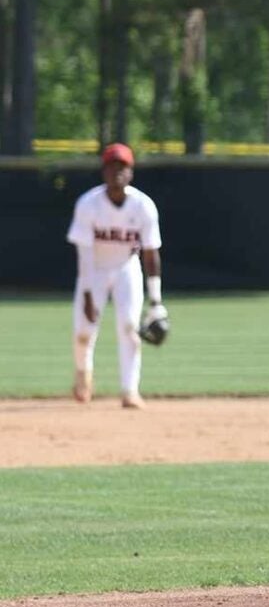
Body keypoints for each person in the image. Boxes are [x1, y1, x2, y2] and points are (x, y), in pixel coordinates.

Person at [67, 142, 165, 409]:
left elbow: (150, 254)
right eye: (112, 166)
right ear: (103, 171)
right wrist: (87, 293)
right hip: (94, 270)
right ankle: (83, 375)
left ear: (131, 172)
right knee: (84, 332)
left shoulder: (143, 206)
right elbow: (84, 254)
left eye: (123, 166)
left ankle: (130, 390)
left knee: (129, 329)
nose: (117, 172)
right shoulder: (88, 204)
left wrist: (156, 302)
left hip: (126, 268)